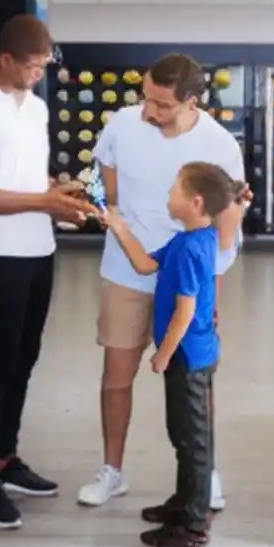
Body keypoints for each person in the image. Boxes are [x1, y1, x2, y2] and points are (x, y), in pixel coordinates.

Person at [0, 14, 98, 530]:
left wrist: (60, 194)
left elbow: (26, 176)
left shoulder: (34, 107)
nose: (39, 74)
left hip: (39, 245)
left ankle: (7, 458)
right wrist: (43, 200)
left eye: (44, 66)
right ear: (6, 58)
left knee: (24, 359)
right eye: (32, 66)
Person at [77, 53, 247, 508]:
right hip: (126, 269)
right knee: (116, 376)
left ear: (192, 102)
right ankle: (112, 470)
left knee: (196, 380)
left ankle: (203, 472)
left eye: (163, 105)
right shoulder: (121, 125)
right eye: (145, 98)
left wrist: (213, 286)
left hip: (190, 275)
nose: (149, 111)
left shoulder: (220, 144)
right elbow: (109, 191)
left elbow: (227, 222)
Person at [99, 162, 238, 547]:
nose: (168, 194)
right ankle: (184, 502)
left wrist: (162, 354)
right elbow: (144, 264)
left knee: (192, 440)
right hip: (189, 356)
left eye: (175, 189)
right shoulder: (185, 240)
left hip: (188, 358)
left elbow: (186, 311)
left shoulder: (193, 248)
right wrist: (119, 227)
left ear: (194, 202)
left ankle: (194, 523)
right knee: (182, 433)